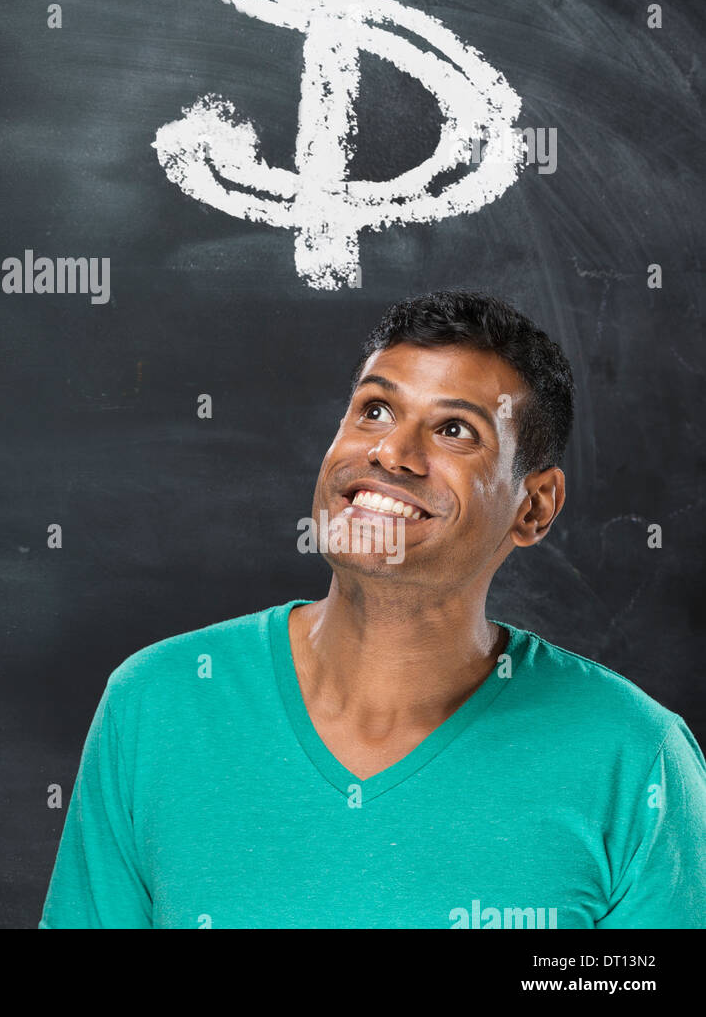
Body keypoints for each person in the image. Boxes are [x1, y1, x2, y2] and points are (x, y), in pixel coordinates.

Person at [39, 290, 706, 928]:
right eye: (374, 411)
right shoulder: (156, 704)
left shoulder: (636, 757)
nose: (390, 452)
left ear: (534, 507)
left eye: (453, 429)